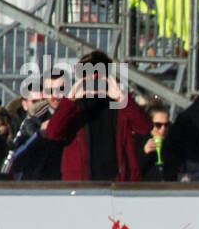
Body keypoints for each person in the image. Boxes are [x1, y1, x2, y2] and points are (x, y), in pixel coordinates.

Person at [41, 53, 155, 182]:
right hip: (82, 184)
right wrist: (70, 100)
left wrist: (122, 99)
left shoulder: (120, 105)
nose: (92, 81)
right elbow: (53, 133)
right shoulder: (73, 107)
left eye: (96, 76)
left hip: (117, 183)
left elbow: (145, 127)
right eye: (86, 75)